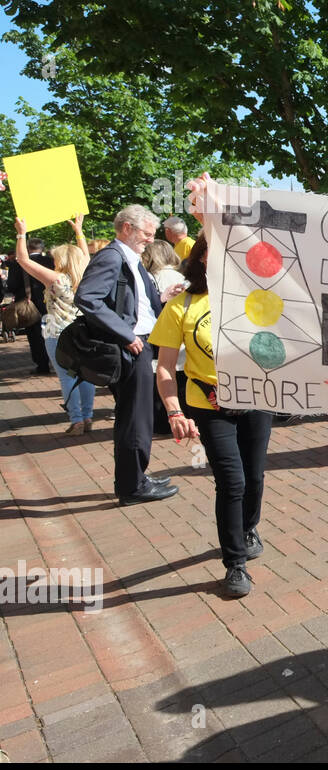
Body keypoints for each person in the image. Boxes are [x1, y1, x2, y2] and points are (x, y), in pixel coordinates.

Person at [152, 235, 272, 598]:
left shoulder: (261, 298)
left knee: (254, 476)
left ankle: (249, 527)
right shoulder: (181, 305)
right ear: (201, 258)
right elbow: (165, 368)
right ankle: (235, 563)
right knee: (232, 482)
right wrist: (173, 411)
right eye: (214, 251)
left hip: (258, 401)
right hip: (209, 404)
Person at [74, 205, 180, 505]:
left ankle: (135, 478)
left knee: (136, 416)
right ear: (126, 229)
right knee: (136, 417)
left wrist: (163, 298)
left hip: (137, 343)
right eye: (146, 234)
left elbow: (135, 302)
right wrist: (127, 334)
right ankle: (133, 486)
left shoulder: (127, 258)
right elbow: (87, 298)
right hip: (131, 346)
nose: (150, 240)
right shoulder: (112, 257)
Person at [13, 215, 95, 433]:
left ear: (63, 261)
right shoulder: (87, 274)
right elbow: (85, 255)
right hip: (85, 332)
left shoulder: (57, 279)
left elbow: (23, 260)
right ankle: (87, 417)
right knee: (86, 375)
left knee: (67, 376)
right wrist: (79, 231)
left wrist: (21, 232)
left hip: (57, 332)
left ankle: (76, 419)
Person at [6, 232, 54, 374]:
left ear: (27, 248)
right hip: (50, 303)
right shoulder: (50, 261)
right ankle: (59, 362)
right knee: (53, 333)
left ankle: (42, 365)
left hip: (29, 306)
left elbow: (12, 285)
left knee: (34, 336)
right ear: (42, 248)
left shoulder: (18, 264)